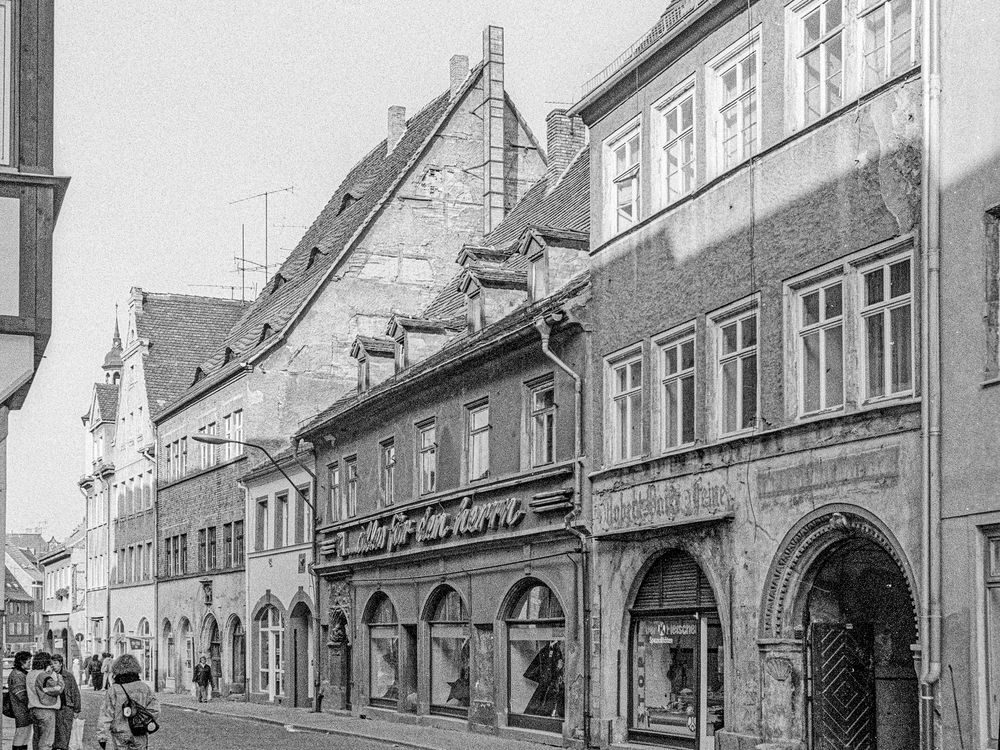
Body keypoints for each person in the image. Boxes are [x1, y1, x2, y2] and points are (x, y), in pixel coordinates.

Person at [98, 654, 160, 750]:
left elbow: (106, 714)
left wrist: (102, 737)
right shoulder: (144, 688)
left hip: (120, 733)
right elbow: (155, 710)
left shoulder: (114, 689)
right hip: (139, 732)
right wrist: (144, 722)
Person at [26, 651, 64, 750]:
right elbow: (58, 689)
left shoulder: (30, 674)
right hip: (46, 710)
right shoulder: (45, 675)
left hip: (33, 709)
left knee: (37, 739)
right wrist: (59, 676)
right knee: (46, 742)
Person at [50, 654, 81, 750]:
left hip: (67, 707)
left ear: (61, 664)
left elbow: (75, 692)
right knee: (54, 734)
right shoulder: (49, 676)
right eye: (52, 663)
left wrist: (77, 709)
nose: (53, 665)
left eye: (55, 663)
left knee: (66, 733)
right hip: (54, 708)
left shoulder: (68, 676)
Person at [7, 650, 33, 750]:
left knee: (24, 735)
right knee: (21, 735)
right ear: (22, 662)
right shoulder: (17, 675)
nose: (30, 663)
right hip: (21, 710)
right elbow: (21, 695)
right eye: (28, 661)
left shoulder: (20, 674)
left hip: (23, 710)